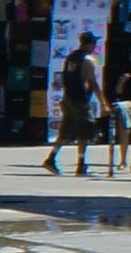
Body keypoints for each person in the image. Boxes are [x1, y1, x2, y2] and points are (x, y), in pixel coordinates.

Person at [41, 41, 100, 176]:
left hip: (68, 99)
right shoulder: (87, 60)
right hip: (80, 100)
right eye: (93, 44)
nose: (94, 47)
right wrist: (103, 102)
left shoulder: (70, 58)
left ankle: (51, 158)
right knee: (84, 132)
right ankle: (81, 164)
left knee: (65, 131)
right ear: (88, 44)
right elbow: (93, 82)